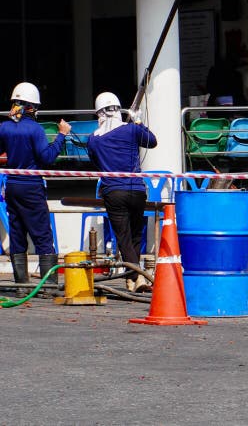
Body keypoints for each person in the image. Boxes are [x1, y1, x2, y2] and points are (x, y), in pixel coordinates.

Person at [0, 82, 70, 297]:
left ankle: (22, 285)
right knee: (42, 235)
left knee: (18, 233)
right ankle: (47, 287)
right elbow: (47, 157)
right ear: (31, 107)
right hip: (31, 187)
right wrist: (62, 135)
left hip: (11, 185)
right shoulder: (35, 129)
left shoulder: (4, 127)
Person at [86, 92, 157, 292]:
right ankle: (133, 278)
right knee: (135, 235)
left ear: (99, 113)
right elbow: (151, 141)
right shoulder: (132, 130)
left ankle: (137, 277)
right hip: (136, 190)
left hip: (113, 191)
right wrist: (139, 121)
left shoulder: (93, 139)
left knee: (123, 237)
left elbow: (95, 164)